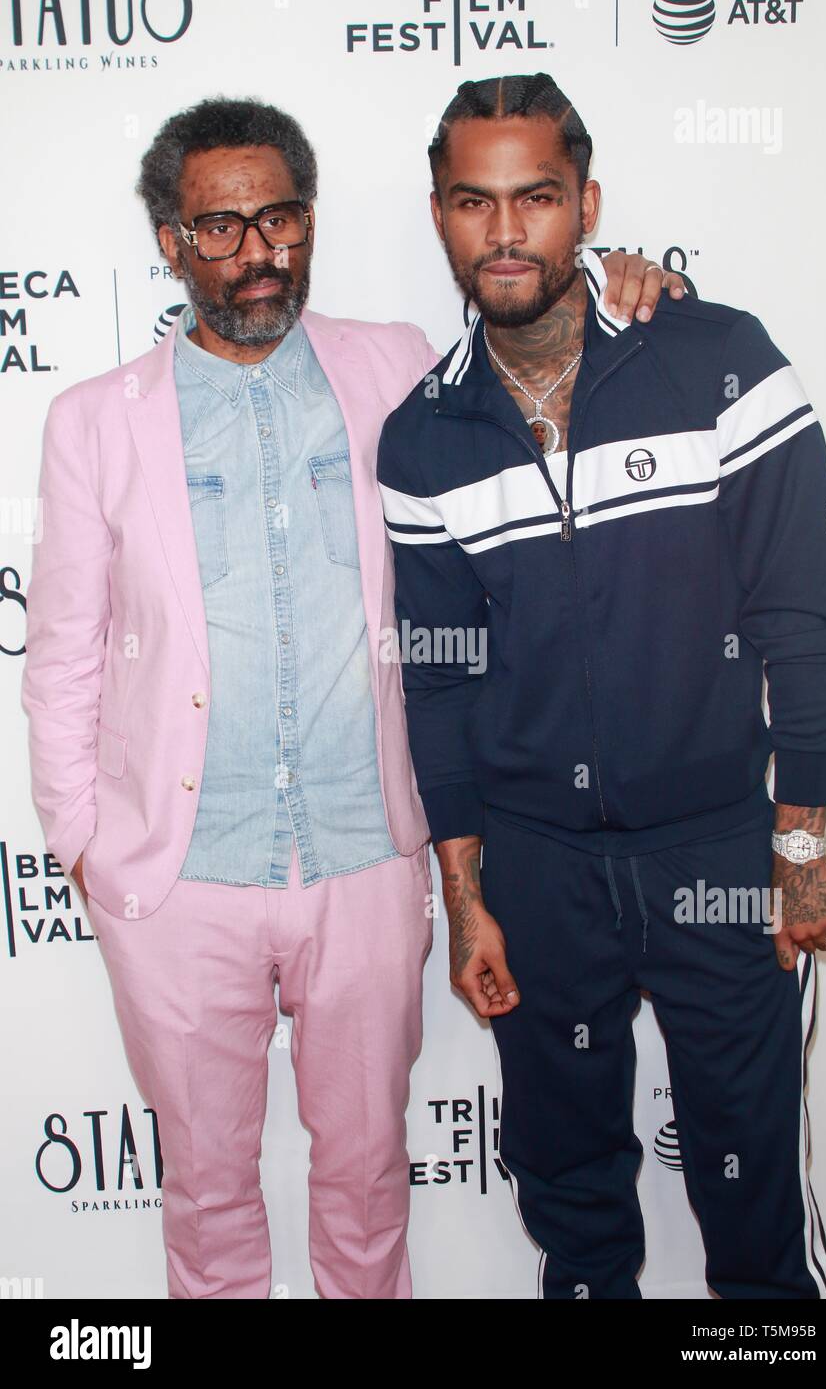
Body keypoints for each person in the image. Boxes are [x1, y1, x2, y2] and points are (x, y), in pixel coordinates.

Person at [20, 94, 676, 1300]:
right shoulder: (90, 425)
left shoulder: (394, 369)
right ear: (168, 240)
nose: (258, 254)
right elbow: (62, 650)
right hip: (178, 879)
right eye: (220, 228)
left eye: (281, 219)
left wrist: (629, 287)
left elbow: (537, 347)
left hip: (369, 856)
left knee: (368, 1180)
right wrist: (86, 846)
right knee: (207, 1191)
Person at [377, 73, 826, 1299]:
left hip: (712, 843)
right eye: (472, 203)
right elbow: (439, 684)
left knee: (752, 1208)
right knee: (572, 1199)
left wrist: (798, 836)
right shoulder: (421, 437)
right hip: (537, 869)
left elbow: (803, 615)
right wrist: (467, 892)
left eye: (533, 198)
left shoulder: (714, 360)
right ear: (436, 215)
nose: (503, 233)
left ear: (584, 204)